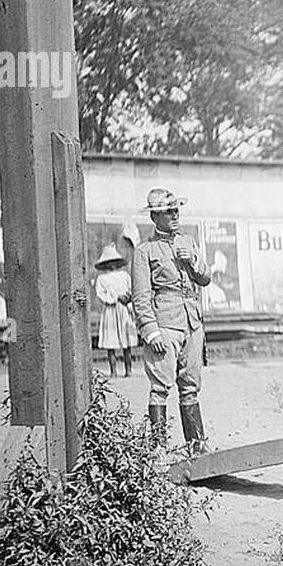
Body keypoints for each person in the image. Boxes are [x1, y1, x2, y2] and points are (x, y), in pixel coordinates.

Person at [131, 188, 213, 453]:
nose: (175, 216)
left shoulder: (188, 242)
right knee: (160, 386)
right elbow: (141, 295)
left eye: (176, 210)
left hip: (192, 321)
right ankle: (158, 450)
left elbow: (205, 278)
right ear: (155, 217)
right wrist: (150, 331)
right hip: (165, 323)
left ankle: (197, 446)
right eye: (168, 212)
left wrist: (193, 264)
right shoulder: (145, 251)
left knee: (190, 386)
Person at [95, 242, 139, 379]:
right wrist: (114, 298)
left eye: (114, 261)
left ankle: (128, 370)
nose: (112, 265)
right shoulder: (101, 279)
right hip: (110, 310)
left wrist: (127, 298)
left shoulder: (124, 276)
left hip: (124, 310)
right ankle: (113, 371)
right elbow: (100, 294)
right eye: (109, 262)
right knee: (110, 342)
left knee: (127, 343)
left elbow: (132, 290)